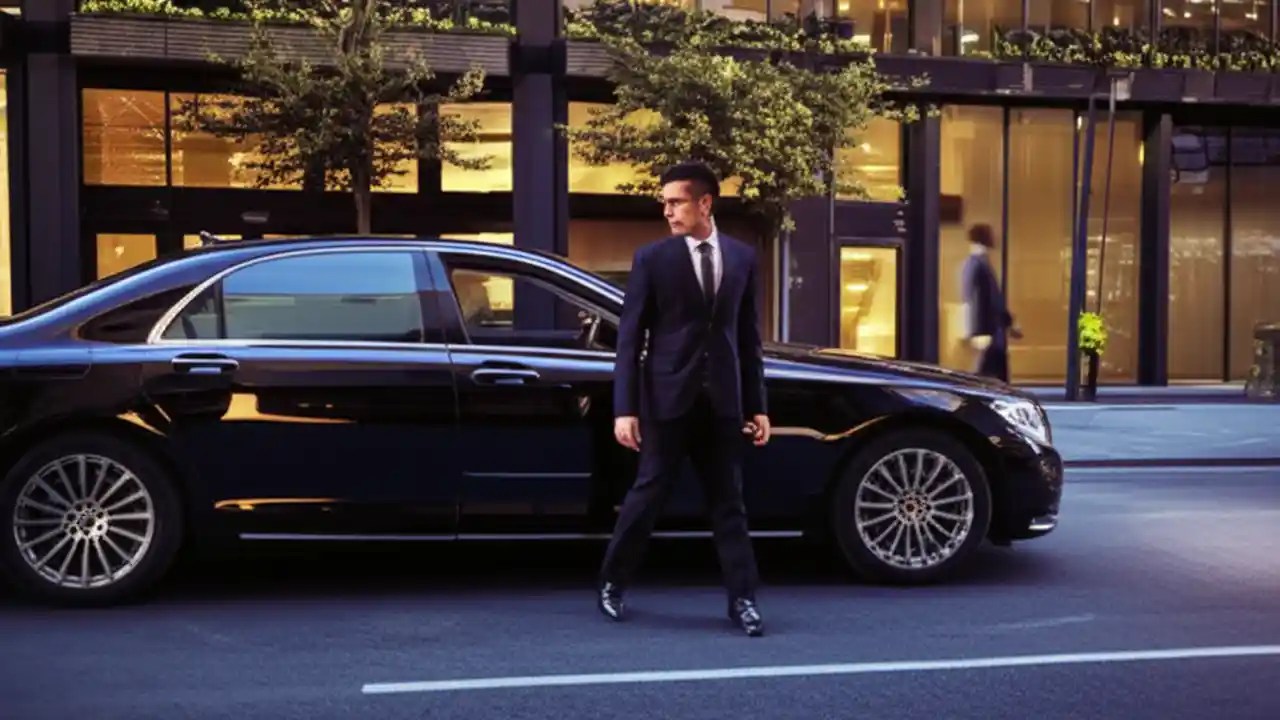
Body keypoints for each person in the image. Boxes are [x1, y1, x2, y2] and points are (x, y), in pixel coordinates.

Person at [596, 161, 770, 638]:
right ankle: (612, 583)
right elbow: (629, 339)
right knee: (646, 497)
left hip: (723, 402)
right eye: (665, 202)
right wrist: (625, 409)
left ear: (704, 203)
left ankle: (743, 601)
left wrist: (757, 404)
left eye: (676, 202)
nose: (667, 211)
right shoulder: (652, 259)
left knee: (729, 504)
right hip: (666, 398)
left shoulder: (742, 257)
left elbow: (748, 337)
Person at [960, 223, 1022, 382]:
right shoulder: (976, 265)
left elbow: (993, 300)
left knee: (991, 380)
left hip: (993, 335)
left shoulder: (980, 264)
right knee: (987, 381)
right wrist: (977, 332)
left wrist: (1009, 323)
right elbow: (972, 300)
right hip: (989, 336)